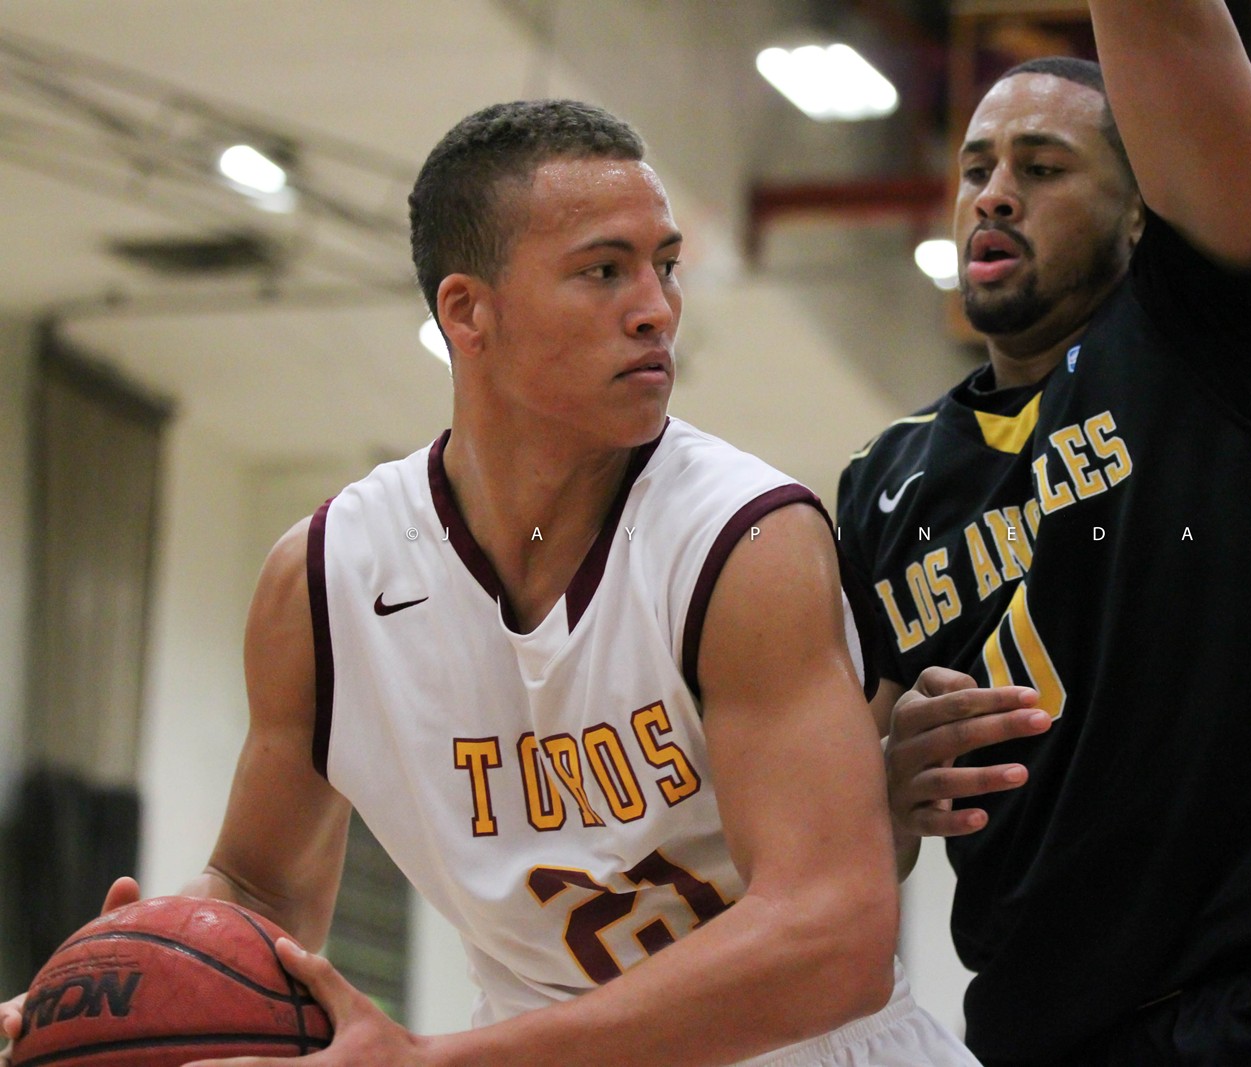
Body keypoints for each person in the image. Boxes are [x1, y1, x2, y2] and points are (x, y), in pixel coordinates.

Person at [2, 99, 979, 1067]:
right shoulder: (326, 579)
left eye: (665, 265)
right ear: (468, 310)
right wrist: (122, 978)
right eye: (605, 269)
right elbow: (261, 890)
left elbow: (833, 936)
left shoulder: (741, 539)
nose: (657, 307)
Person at [834, 4, 1251, 1065]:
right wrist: (882, 789)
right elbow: (816, 848)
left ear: (1143, 211)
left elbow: (1177, 35)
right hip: (1052, 1033)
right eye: (975, 168)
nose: (994, 193)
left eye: (1043, 166)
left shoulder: (1213, 329)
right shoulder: (887, 484)